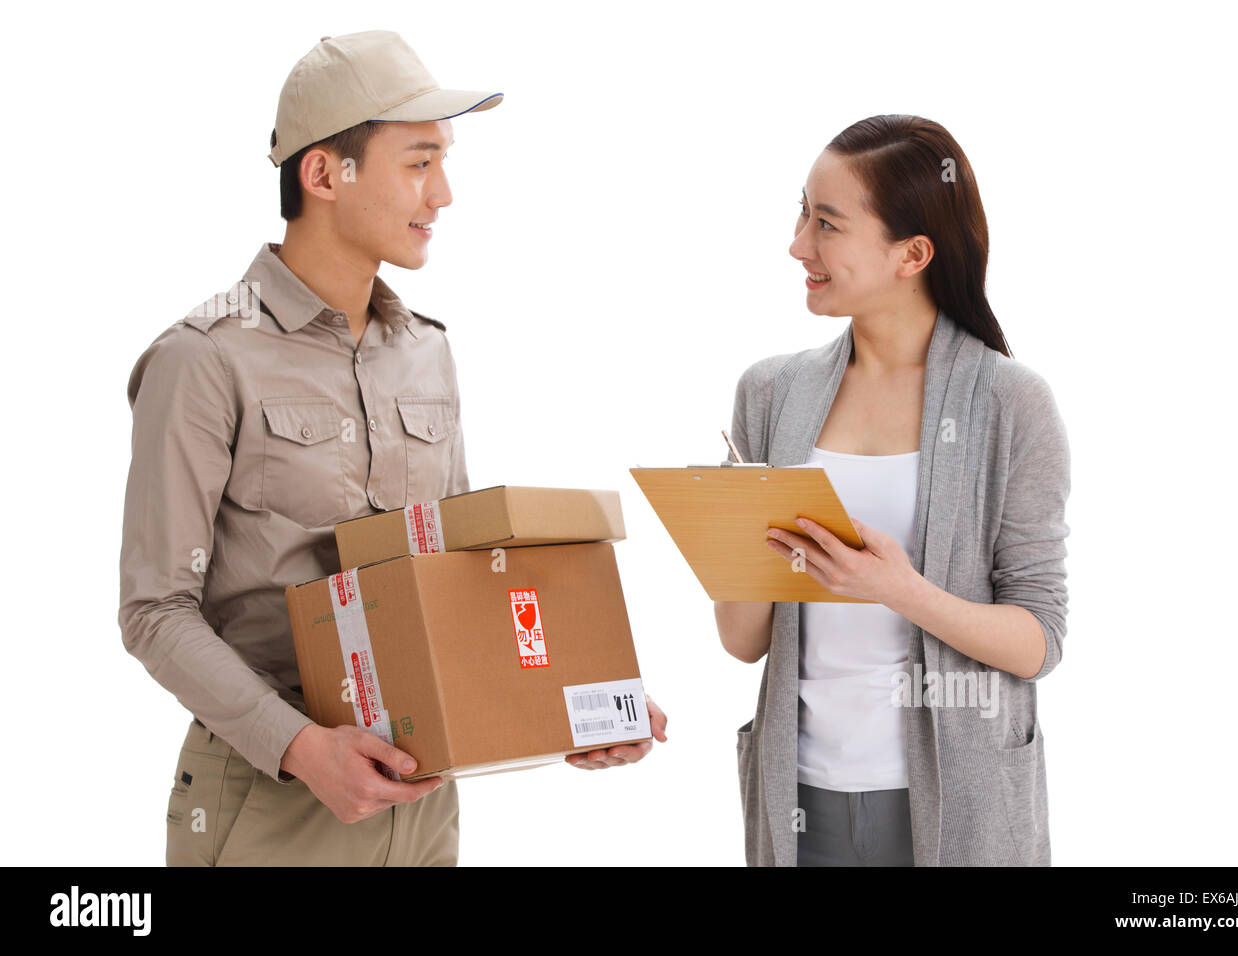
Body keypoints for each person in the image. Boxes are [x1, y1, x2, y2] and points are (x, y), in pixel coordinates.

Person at [118, 30, 666, 867]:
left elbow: (463, 576)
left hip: (424, 791)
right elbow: (154, 612)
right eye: (418, 162)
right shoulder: (204, 357)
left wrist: (575, 699)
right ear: (324, 173)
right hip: (271, 802)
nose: (443, 193)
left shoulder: (426, 350)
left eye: (442, 162)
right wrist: (303, 748)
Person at [715, 114, 1070, 866]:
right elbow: (742, 643)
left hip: (956, 801)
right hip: (802, 792)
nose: (797, 245)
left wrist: (897, 588)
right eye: (801, 212)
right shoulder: (770, 394)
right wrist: (731, 539)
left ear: (912, 253)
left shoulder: (1010, 403)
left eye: (827, 223)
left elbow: (1039, 642)